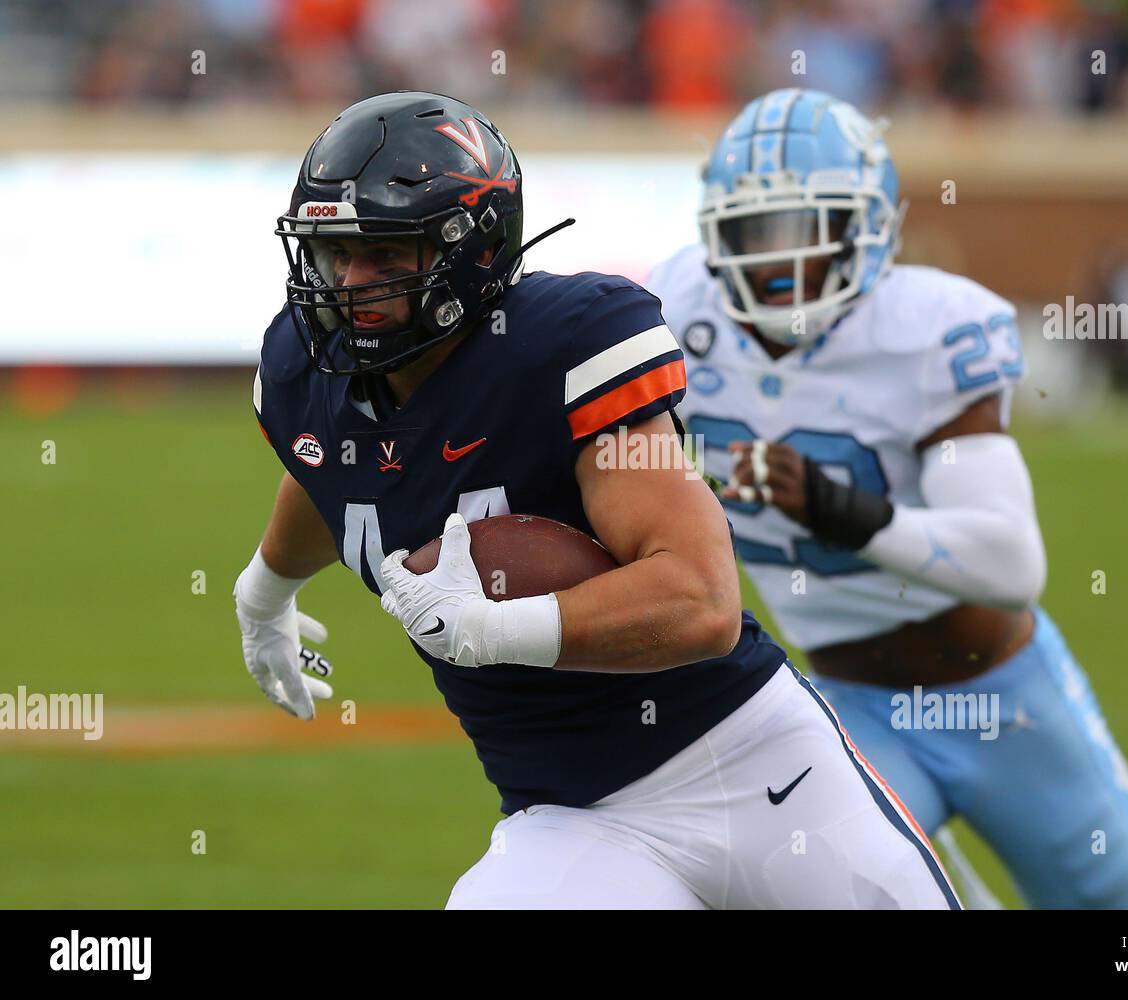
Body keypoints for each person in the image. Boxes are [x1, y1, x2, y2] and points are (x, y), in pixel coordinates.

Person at [232, 91, 958, 910]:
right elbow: (330, 467)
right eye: (336, 255)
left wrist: (489, 628)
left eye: (388, 256)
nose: (352, 285)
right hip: (572, 818)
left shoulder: (563, 346)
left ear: (471, 250)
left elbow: (702, 600)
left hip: (746, 763)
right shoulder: (307, 373)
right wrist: (265, 590)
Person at [646, 86, 1128, 908]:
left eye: (804, 231)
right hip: (845, 703)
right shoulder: (675, 316)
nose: (776, 263)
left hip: (1002, 699)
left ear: (866, 229)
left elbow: (1010, 561)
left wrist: (841, 512)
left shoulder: (929, 330)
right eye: (755, 233)